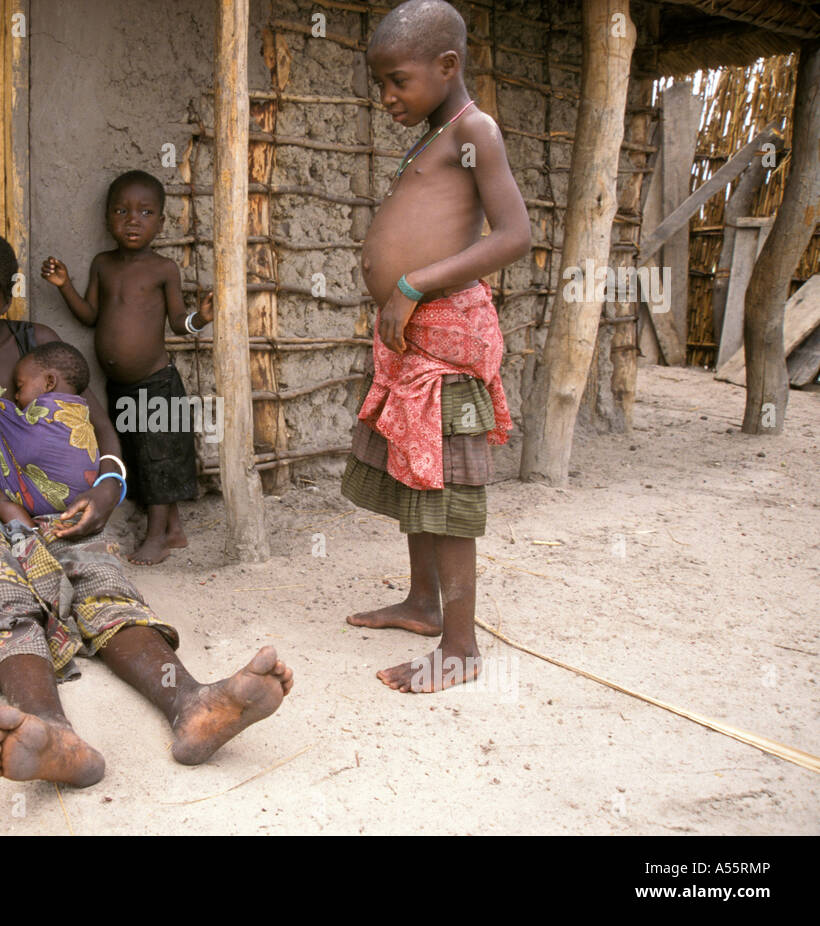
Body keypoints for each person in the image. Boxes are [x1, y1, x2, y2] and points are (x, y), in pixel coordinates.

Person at [0, 229, 292, 786]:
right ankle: (51, 732)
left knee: (100, 580)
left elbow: (97, 425)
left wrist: (108, 488)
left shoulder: (35, 345)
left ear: (6, 299)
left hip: (48, 500)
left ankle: (195, 705)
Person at [342, 0, 530, 693]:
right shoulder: (434, 134)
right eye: (380, 85)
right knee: (416, 475)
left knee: (445, 487)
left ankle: (461, 647)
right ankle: (423, 604)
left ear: (447, 66)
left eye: (397, 81)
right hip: (411, 342)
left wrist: (414, 282)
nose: (387, 98)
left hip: (444, 343)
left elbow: (514, 236)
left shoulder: (474, 129)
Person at [41, 170, 214, 565]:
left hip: (156, 384)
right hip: (120, 387)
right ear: (107, 218)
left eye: (145, 212)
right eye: (121, 210)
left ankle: (156, 538)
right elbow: (89, 315)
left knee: (160, 461)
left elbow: (177, 324)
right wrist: (65, 284)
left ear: (161, 222)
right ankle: (172, 529)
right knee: (138, 457)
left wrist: (201, 319)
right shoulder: (103, 265)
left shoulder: (163, 269)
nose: (132, 220)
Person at [0, 340, 101, 530]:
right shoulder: (80, 410)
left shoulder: (47, 410)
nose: (15, 397)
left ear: (49, 382)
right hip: (82, 501)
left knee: (2, 499)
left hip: (52, 500)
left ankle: (28, 534)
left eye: (20, 387)